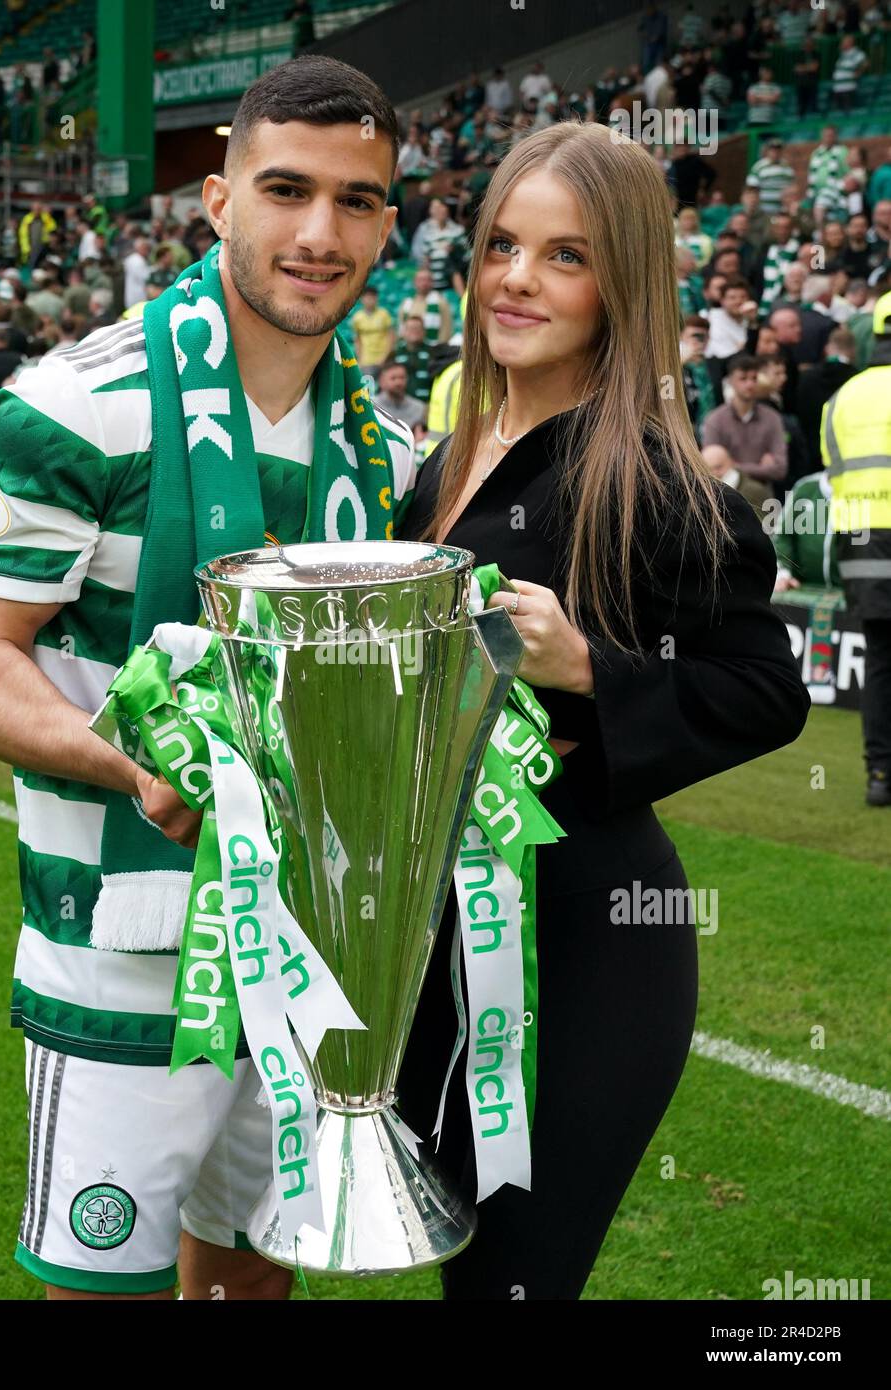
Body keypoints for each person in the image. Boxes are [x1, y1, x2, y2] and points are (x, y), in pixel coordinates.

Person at [0, 53, 420, 1303]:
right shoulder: (72, 409)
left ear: (390, 223)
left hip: (316, 957)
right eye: (287, 190)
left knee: (251, 1287)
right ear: (217, 201)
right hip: (122, 953)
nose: (320, 233)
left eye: (357, 200)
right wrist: (127, 762)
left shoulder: (390, 452)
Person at [394, 119, 808, 1301]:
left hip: (585, 939)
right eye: (502, 247)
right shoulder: (449, 456)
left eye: (565, 257)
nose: (518, 280)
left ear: (621, 280)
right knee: (462, 1270)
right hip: (434, 940)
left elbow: (766, 690)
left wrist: (590, 669)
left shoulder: (654, 477)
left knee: (514, 1286)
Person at [819, 291, 891, 807]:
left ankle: (880, 776)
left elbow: (831, 470)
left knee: (881, 660)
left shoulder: (841, 399)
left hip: (861, 544)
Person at [701, 353, 788, 503]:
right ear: (730, 382)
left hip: (763, 499)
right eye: (743, 379)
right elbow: (711, 468)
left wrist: (733, 465)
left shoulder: (772, 418)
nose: (749, 384)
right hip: (725, 498)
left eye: (754, 379)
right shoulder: (715, 420)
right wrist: (761, 468)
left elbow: (780, 469)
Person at [796, 328, 858, 470]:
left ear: (827, 348)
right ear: (853, 350)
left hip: (813, 450)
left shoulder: (807, 377)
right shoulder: (857, 379)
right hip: (846, 451)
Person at [351, 284, 394, 372]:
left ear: (377, 298)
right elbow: (357, 340)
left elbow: (392, 337)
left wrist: (385, 357)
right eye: (367, 297)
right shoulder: (357, 317)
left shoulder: (384, 314)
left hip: (384, 359)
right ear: (361, 299)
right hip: (366, 361)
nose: (370, 300)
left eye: (372, 297)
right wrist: (360, 359)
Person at [373, 358, 426, 428]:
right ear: (382, 381)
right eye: (393, 378)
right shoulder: (373, 406)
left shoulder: (418, 408)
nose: (398, 382)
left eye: (402, 378)